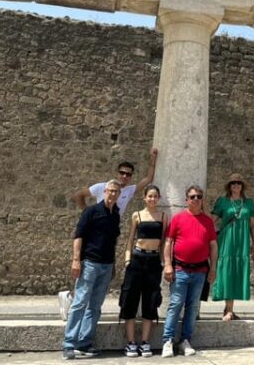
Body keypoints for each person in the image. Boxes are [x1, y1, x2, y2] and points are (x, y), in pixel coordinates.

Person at [62, 179, 122, 360]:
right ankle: (69, 344)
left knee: (95, 306)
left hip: (106, 265)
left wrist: (113, 264)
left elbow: (113, 241)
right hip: (89, 263)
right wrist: (75, 260)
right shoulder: (91, 211)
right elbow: (78, 236)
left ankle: (84, 343)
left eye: (116, 192)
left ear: (119, 195)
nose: (113, 194)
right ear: (104, 192)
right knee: (80, 302)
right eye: (110, 190)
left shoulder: (116, 214)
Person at [161, 185, 218, 358]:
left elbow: (213, 246)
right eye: (192, 197)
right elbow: (168, 242)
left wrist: (213, 268)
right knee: (175, 305)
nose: (196, 199)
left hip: (200, 271)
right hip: (180, 269)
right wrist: (168, 265)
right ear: (186, 200)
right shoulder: (178, 219)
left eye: (199, 196)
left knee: (192, 307)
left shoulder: (208, 221)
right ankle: (168, 340)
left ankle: (185, 340)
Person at [119, 184, 169, 358]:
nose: (152, 199)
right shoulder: (137, 215)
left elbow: (163, 242)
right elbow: (130, 239)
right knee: (130, 298)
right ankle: (131, 343)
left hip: (154, 261)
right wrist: (127, 260)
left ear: (158, 198)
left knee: (151, 299)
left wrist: (163, 261)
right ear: (144, 198)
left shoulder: (163, 217)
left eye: (155, 196)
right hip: (137, 259)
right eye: (150, 196)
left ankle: (145, 342)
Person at [211, 172, 254, 321]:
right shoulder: (223, 202)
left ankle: (229, 309)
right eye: (233, 183)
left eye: (238, 183)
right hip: (227, 240)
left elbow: (253, 225)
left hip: (242, 242)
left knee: (237, 271)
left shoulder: (248, 203)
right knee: (227, 271)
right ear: (229, 186)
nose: (236, 185)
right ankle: (229, 310)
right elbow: (212, 220)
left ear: (242, 186)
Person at [72, 147, 159, 216]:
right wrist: (88, 213)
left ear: (131, 177)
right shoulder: (101, 186)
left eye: (128, 174)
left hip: (113, 226)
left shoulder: (129, 190)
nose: (125, 176)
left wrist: (153, 158)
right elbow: (78, 195)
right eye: (122, 173)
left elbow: (148, 179)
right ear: (117, 173)